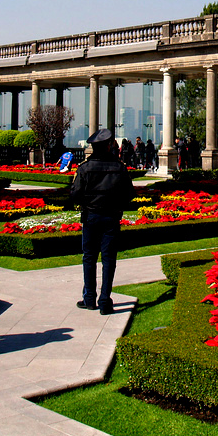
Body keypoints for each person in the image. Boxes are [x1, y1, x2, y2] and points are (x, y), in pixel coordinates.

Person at [69, 128, 136, 315]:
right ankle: (105, 300)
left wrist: (88, 203)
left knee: (89, 257)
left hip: (91, 216)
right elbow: (129, 195)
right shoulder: (119, 167)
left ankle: (89, 298)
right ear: (108, 146)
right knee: (109, 259)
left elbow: (75, 195)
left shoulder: (84, 168)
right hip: (111, 217)